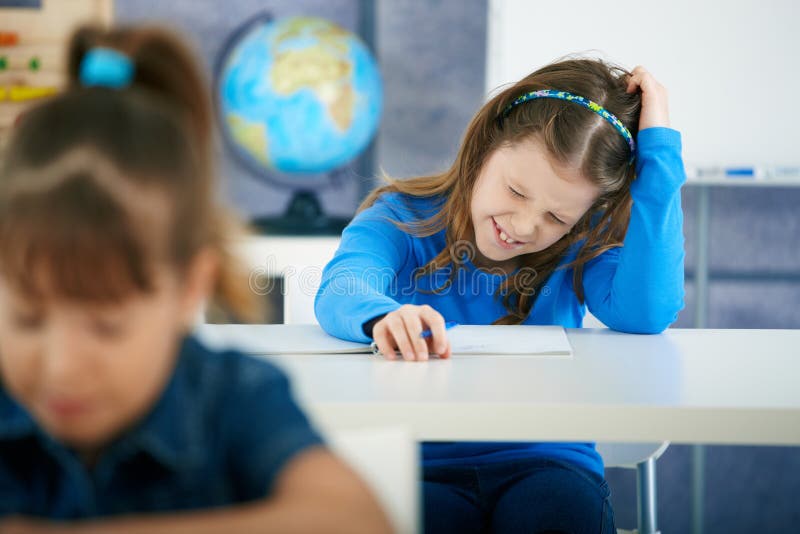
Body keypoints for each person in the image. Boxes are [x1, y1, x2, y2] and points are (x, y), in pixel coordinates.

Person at [0, 24, 391, 534]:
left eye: (105, 326)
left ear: (190, 288)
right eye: (27, 319)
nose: (61, 366)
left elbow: (358, 521)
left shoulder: (234, 398)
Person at [315, 57, 685, 533]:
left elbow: (648, 312)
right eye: (515, 190)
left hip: (550, 462)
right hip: (420, 462)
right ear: (486, 145)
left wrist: (658, 160)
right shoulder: (400, 217)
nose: (525, 226)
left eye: (557, 218)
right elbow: (343, 284)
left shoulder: (581, 245)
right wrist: (382, 316)